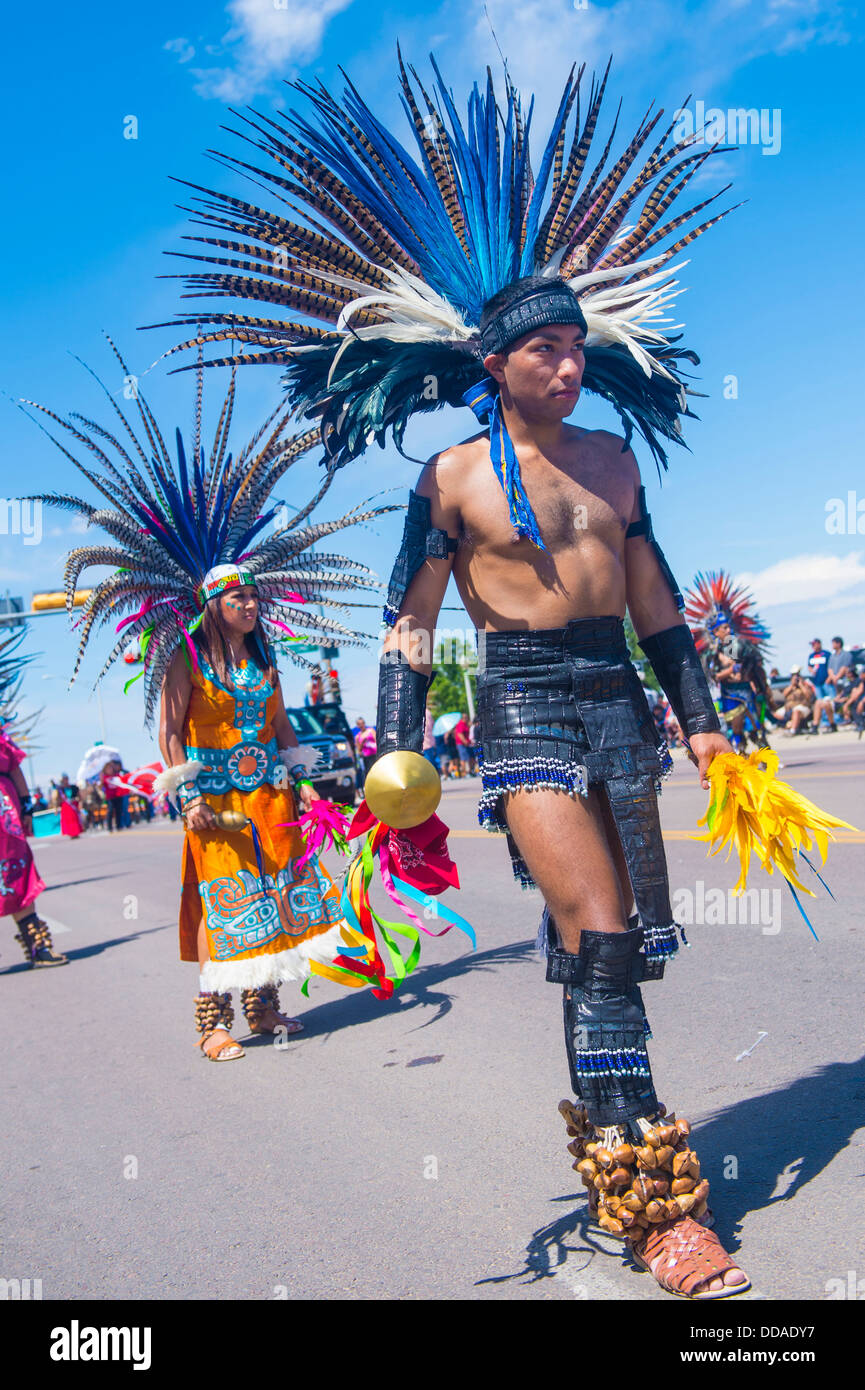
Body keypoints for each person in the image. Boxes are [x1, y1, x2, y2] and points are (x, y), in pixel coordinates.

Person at [161, 54, 751, 1295]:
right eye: (542, 349)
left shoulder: (614, 462)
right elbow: (408, 623)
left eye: (576, 347)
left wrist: (702, 725)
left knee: (626, 940)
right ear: (493, 362)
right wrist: (393, 742)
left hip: (621, 705)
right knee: (597, 933)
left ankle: (605, 1127)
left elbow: (655, 604)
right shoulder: (450, 480)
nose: (568, 365)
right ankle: (661, 1209)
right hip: (523, 703)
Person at [31, 348, 396, 1061]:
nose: (251, 603)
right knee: (225, 904)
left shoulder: (264, 659)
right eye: (238, 595)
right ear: (209, 602)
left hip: (270, 795)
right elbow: (169, 734)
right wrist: (186, 794)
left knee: (280, 897)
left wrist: (302, 772)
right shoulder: (183, 659)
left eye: (255, 594)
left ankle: (266, 1009)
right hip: (216, 801)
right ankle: (211, 1023)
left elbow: (283, 724)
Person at [0, 634, 68, 969]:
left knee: (16, 875)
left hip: (4, 821)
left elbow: (13, 767)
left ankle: (38, 947)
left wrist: (26, 807)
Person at [780, 668, 817, 735]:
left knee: (796, 711)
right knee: (775, 714)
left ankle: (792, 731)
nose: (796, 679)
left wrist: (801, 685)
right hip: (789, 708)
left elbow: (809, 696)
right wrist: (792, 685)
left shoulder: (805, 685)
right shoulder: (790, 687)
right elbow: (784, 695)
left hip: (803, 707)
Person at [353, 717, 378, 794]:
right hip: (366, 757)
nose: (361, 725)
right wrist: (362, 743)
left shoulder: (371, 730)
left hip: (375, 754)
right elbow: (359, 750)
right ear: (357, 725)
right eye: (359, 724)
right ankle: (371, 790)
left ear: (364, 723)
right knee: (368, 773)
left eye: (362, 723)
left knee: (377, 770)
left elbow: (376, 740)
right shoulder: (358, 737)